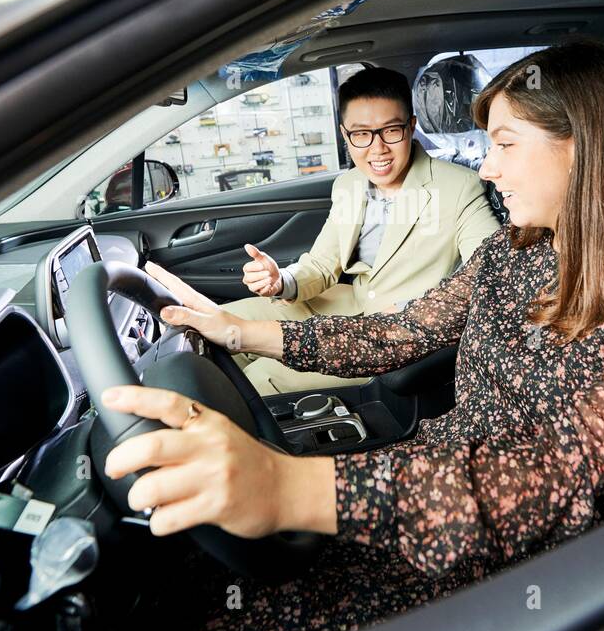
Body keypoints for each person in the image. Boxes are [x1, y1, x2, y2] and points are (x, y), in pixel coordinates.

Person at [105, 41, 604, 631]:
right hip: (436, 474)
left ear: (588, 148)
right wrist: (239, 331)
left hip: (541, 550)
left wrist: (292, 489)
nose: (487, 168)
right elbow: (401, 332)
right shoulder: (515, 251)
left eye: (505, 144)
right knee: (195, 576)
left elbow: (566, 466)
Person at [213, 66, 499, 396]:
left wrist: (411, 309)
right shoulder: (348, 184)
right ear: (345, 134)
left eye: (391, 131)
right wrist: (282, 280)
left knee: (259, 377)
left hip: (394, 333)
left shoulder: (459, 186)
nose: (377, 149)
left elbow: (491, 273)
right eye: (361, 134)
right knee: (220, 326)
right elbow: (321, 265)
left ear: (411, 127)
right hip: (344, 304)